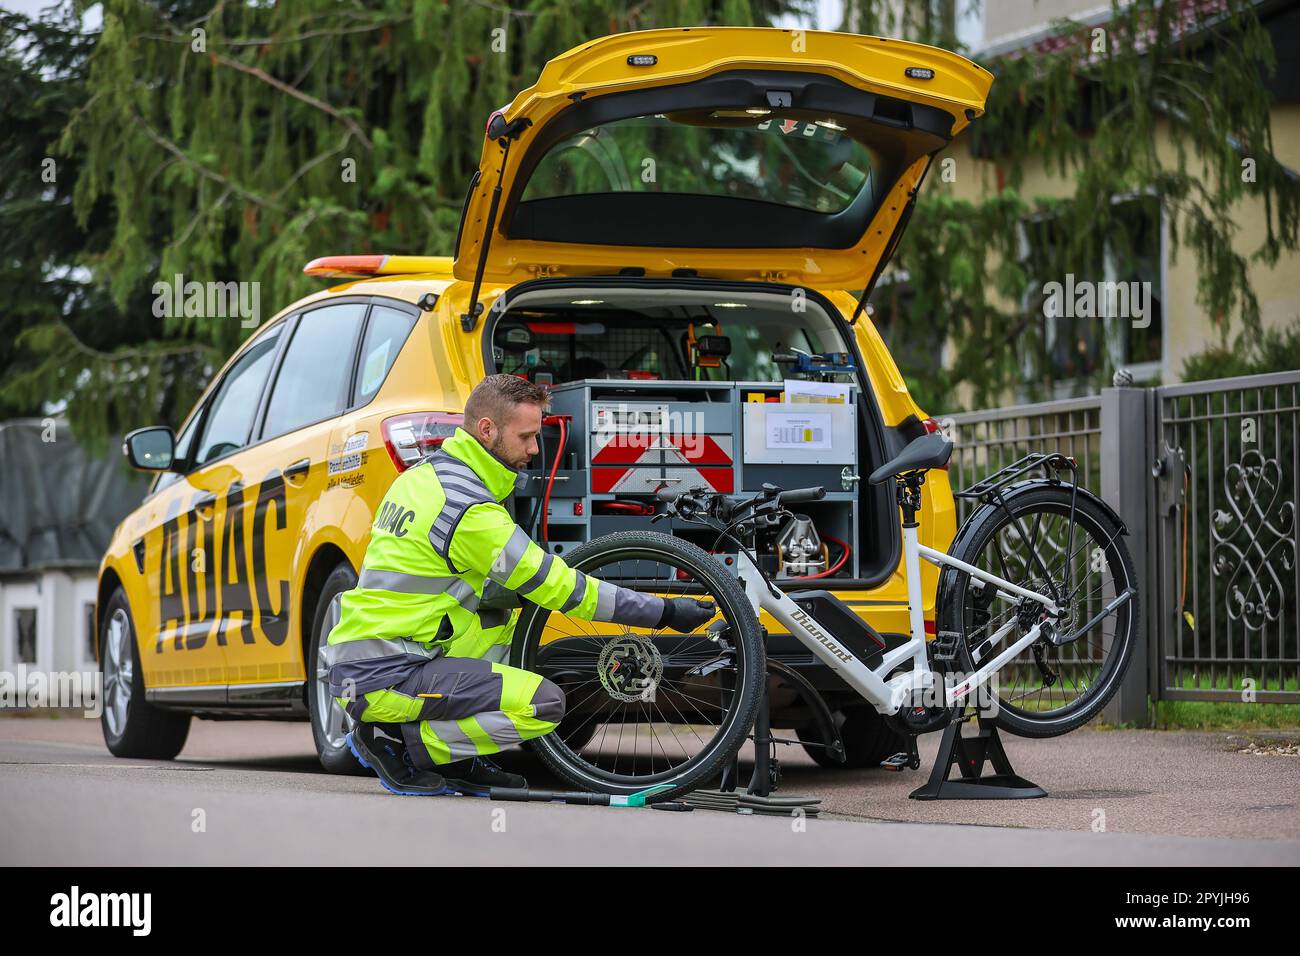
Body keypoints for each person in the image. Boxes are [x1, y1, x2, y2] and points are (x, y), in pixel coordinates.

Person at [322, 374, 715, 795]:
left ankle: (453, 753)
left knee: (512, 632)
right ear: (487, 429)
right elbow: (560, 587)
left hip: (371, 650)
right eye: (526, 436)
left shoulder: (425, 478)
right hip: (386, 672)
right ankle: (400, 742)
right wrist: (664, 611)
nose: (533, 449)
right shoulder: (469, 509)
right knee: (543, 705)